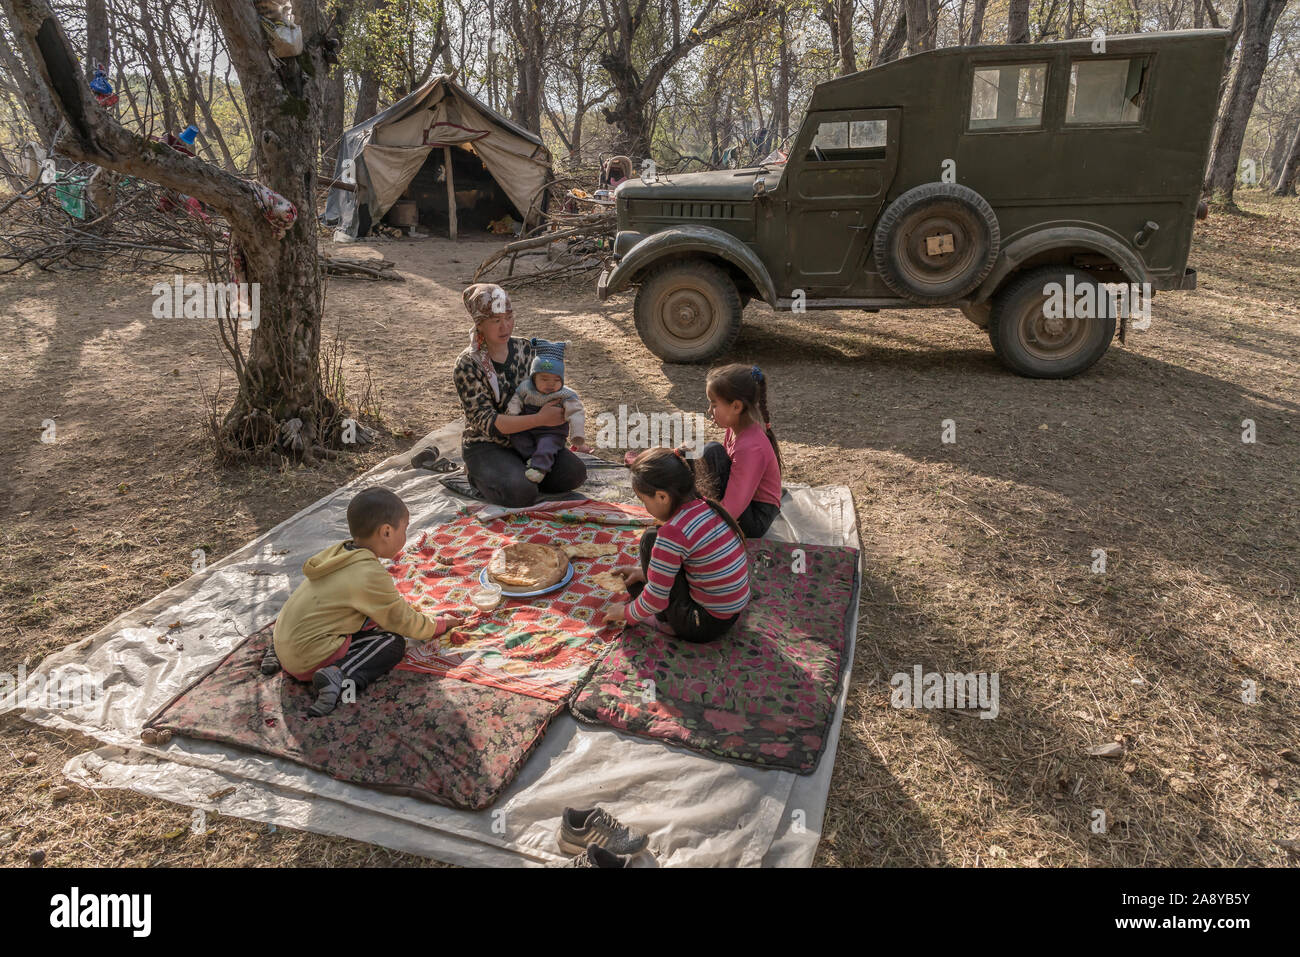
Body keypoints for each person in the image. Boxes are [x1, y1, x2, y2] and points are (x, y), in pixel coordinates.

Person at [267, 487, 462, 717]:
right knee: (392, 642)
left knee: (365, 621)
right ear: (386, 531)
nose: (405, 535)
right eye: (405, 529)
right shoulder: (368, 573)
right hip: (307, 659)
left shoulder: (338, 554)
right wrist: (439, 625)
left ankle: (277, 651)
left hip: (285, 643)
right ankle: (338, 675)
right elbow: (404, 622)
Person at [453, 283, 588, 506]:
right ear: (480, 324)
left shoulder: (526, 349)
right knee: (521, 493)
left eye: (509, 317)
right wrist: (540, 419)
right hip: (487, 444)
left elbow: (549, 387)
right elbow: (488, 422)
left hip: (531, 438)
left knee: (575, 474)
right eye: (496, 320)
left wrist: (561, 415)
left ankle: (518, 472)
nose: (505, 326)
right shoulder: (468, 364)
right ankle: (479, 474)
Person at [606, 448, 750, 643]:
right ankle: (653, 590)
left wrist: (624, 613)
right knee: (639, 582)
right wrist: (644, 573)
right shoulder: (706, 506)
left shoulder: (673, 532)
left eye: (644, 501)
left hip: (701, 624)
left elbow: (655, 599)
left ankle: (665, 622)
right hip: (730, 615)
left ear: (662, 497)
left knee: (650, 539)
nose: (645, 508)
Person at [693, 363, 784, 538]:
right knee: (709, 453)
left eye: (714, 404)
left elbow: (733, 509)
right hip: (746, 505)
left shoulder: (751, 447)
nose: (709, 410)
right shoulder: (735, 428)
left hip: (756, 519)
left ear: (736, 407)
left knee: (712, 452)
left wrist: (700, 529)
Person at [504, 339, 589, 483]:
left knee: (546, 445)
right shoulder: (526, 388)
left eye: (556, 380)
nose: (550, 384)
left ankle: (539, 469)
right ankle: (531, 457)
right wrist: (512, 412)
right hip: (527, 426)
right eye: (544, 379)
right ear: (533, 378)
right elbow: (516, 399)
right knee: (517, 438)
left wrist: (577, 434)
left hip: (552, 432)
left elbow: (576, 413)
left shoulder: (565, 394)